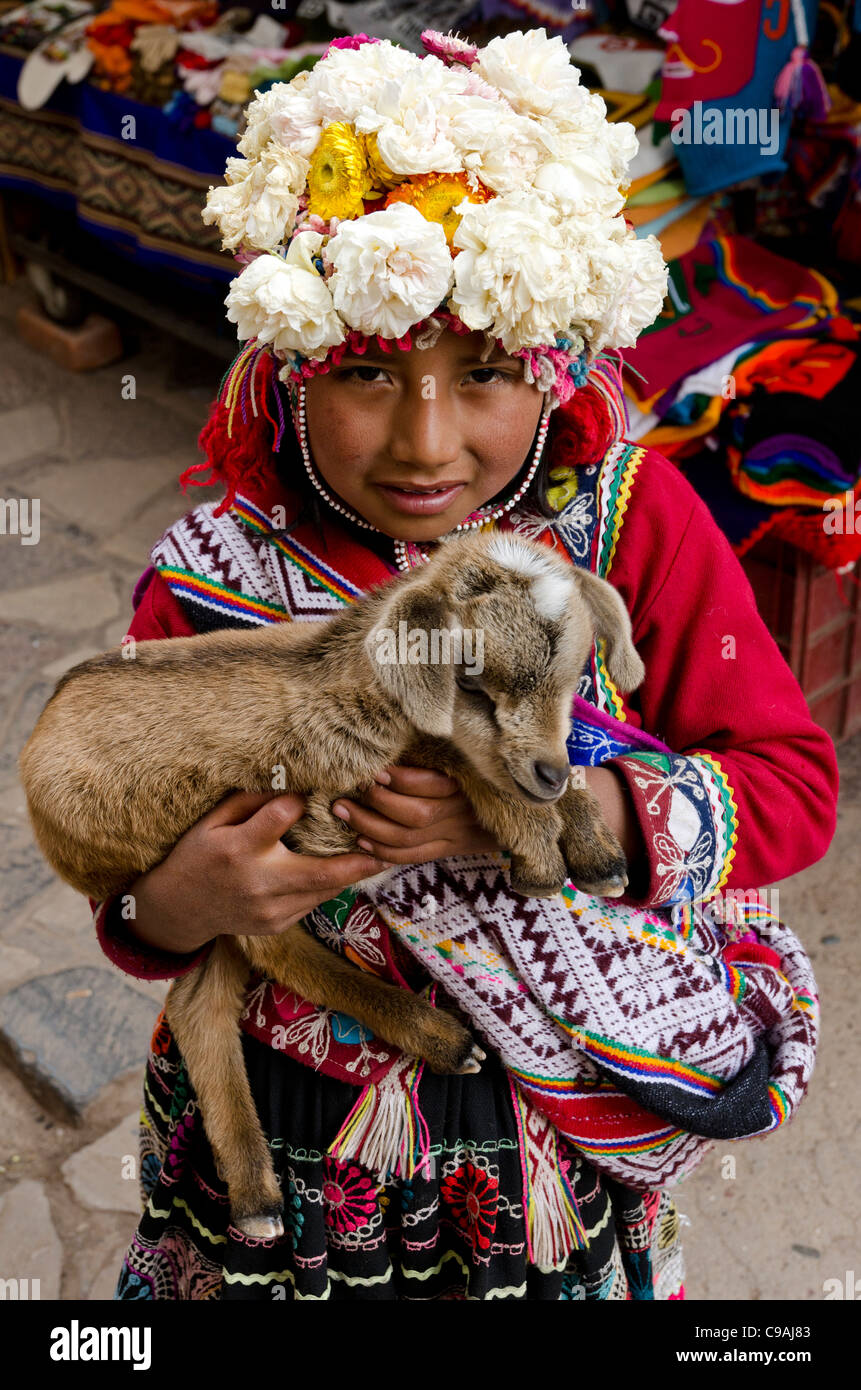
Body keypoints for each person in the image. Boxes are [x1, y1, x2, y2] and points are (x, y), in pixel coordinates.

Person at [90, 29, 838, 1301]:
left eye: (484, 372)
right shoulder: (211, 580)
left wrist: (563, 813)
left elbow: (791, 785)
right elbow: (127, 905)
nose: (426, 441)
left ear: (552, 364)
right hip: (289, 1116)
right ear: (288, 365)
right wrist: (193, 897)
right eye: (369, 373)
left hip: (545, 1115)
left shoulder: (628, 523)